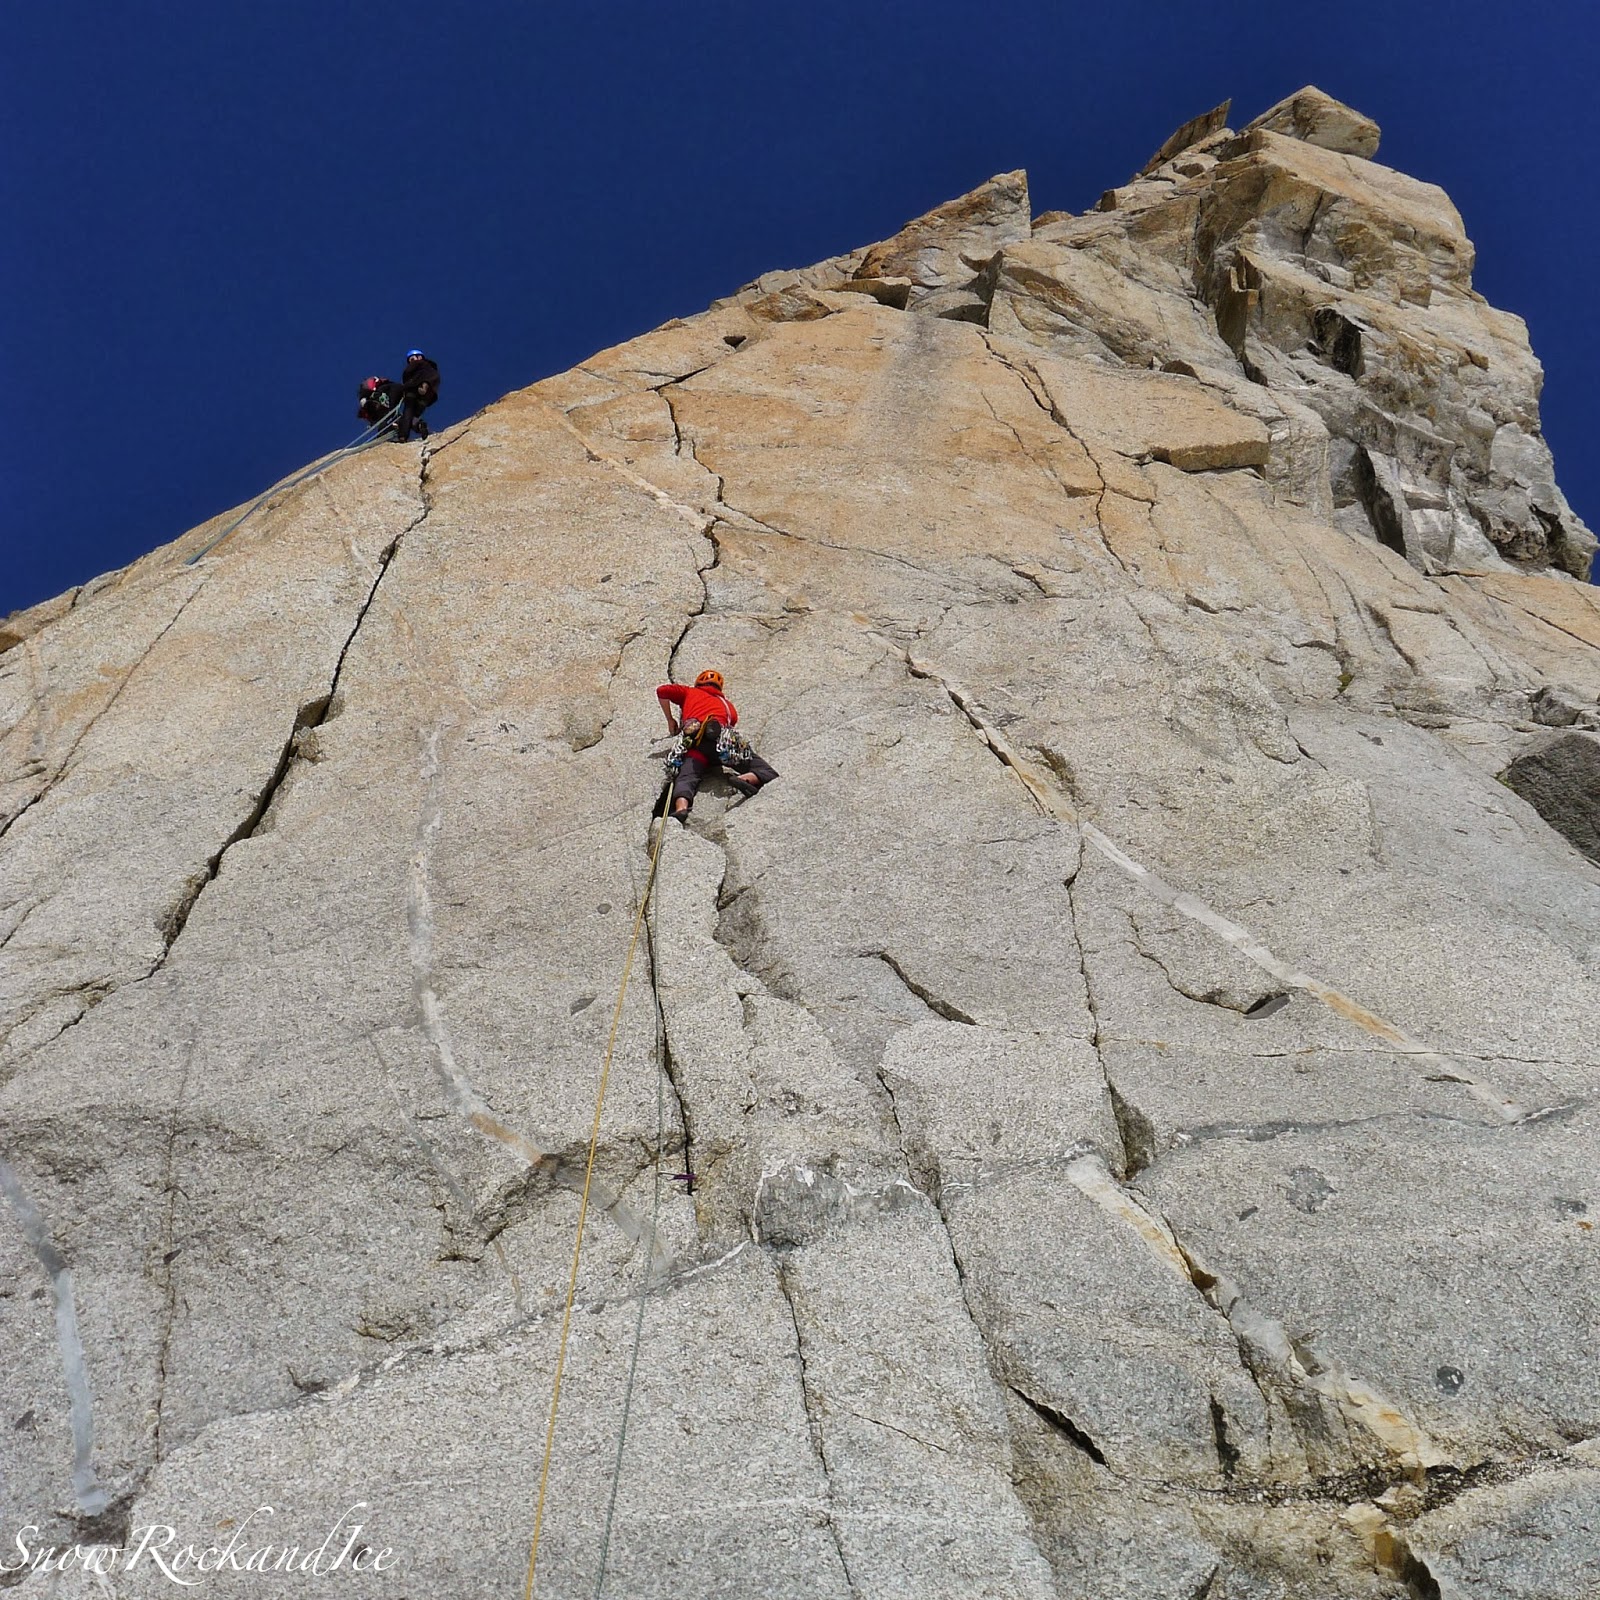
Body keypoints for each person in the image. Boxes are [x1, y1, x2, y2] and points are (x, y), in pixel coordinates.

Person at [657, 669, 779, 823]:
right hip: (722, 746)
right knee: (767, 771)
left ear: (698, 683)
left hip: (696, 745)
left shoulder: (689, 692)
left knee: (686, 777)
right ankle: (744, 779)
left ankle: (681, 808)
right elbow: (732, 722)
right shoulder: (729, 707)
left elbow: (662, 691)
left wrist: (670, 719)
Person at [395, 350, 440, 443]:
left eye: (412, 359)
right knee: (413, 415)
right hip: (426, 398)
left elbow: (408, 374)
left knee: (408, 411)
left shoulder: (420, 365)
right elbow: (433, 377)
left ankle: (403, 436)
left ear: (419, 357)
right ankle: (419, 425)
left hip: (414, 390)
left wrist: (424, 384)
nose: (411, 362)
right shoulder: (431, 368)